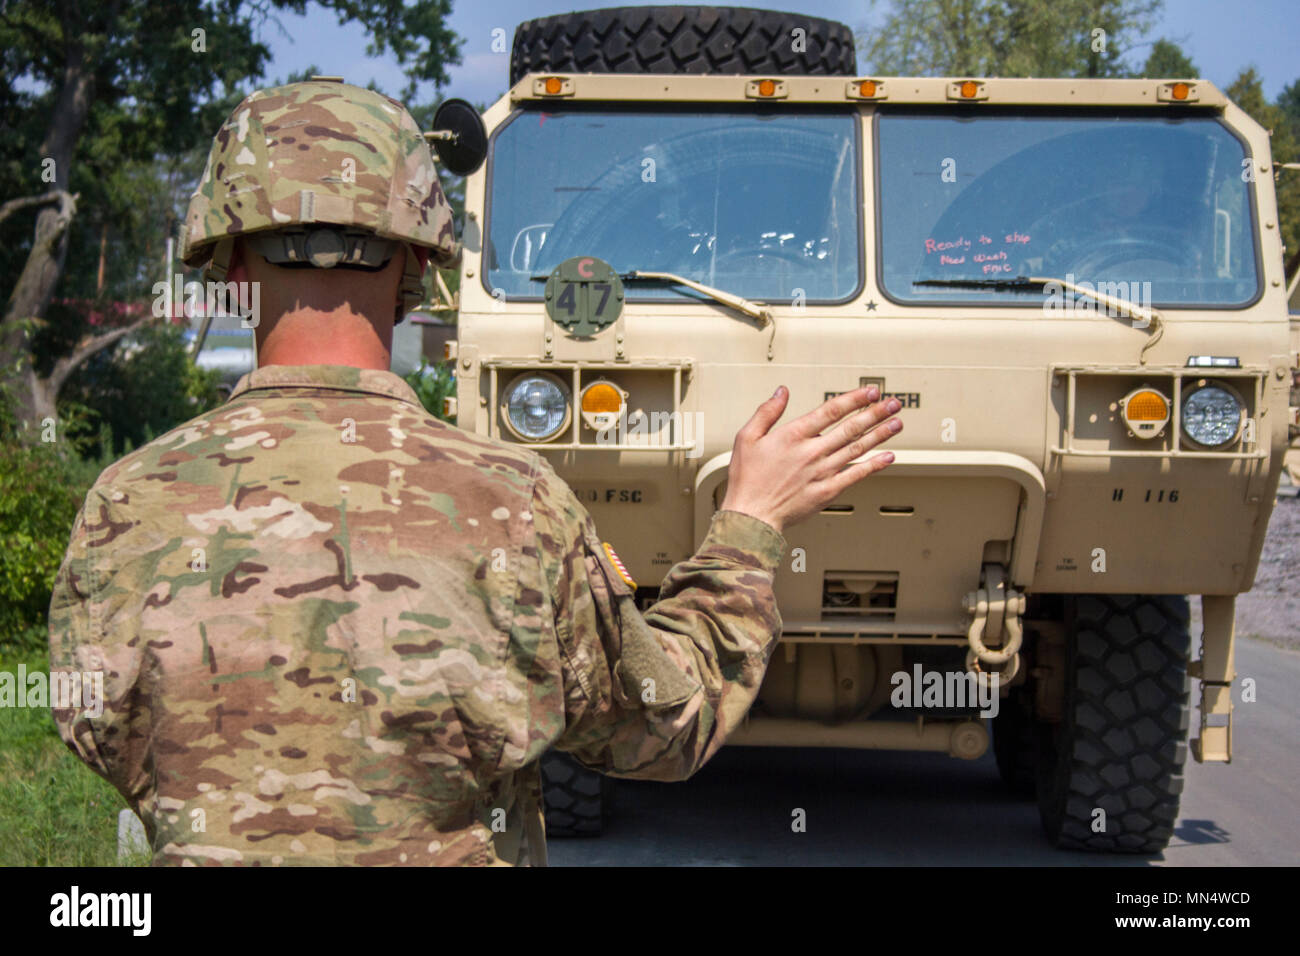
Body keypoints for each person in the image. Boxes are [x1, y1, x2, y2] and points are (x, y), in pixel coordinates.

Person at [47, 79, 903, 866]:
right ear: (420, 264)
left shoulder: (126, 504)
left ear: (230, 263)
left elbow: (99, 732)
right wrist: (748, 525)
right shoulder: (512, 505)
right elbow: (664, 726)